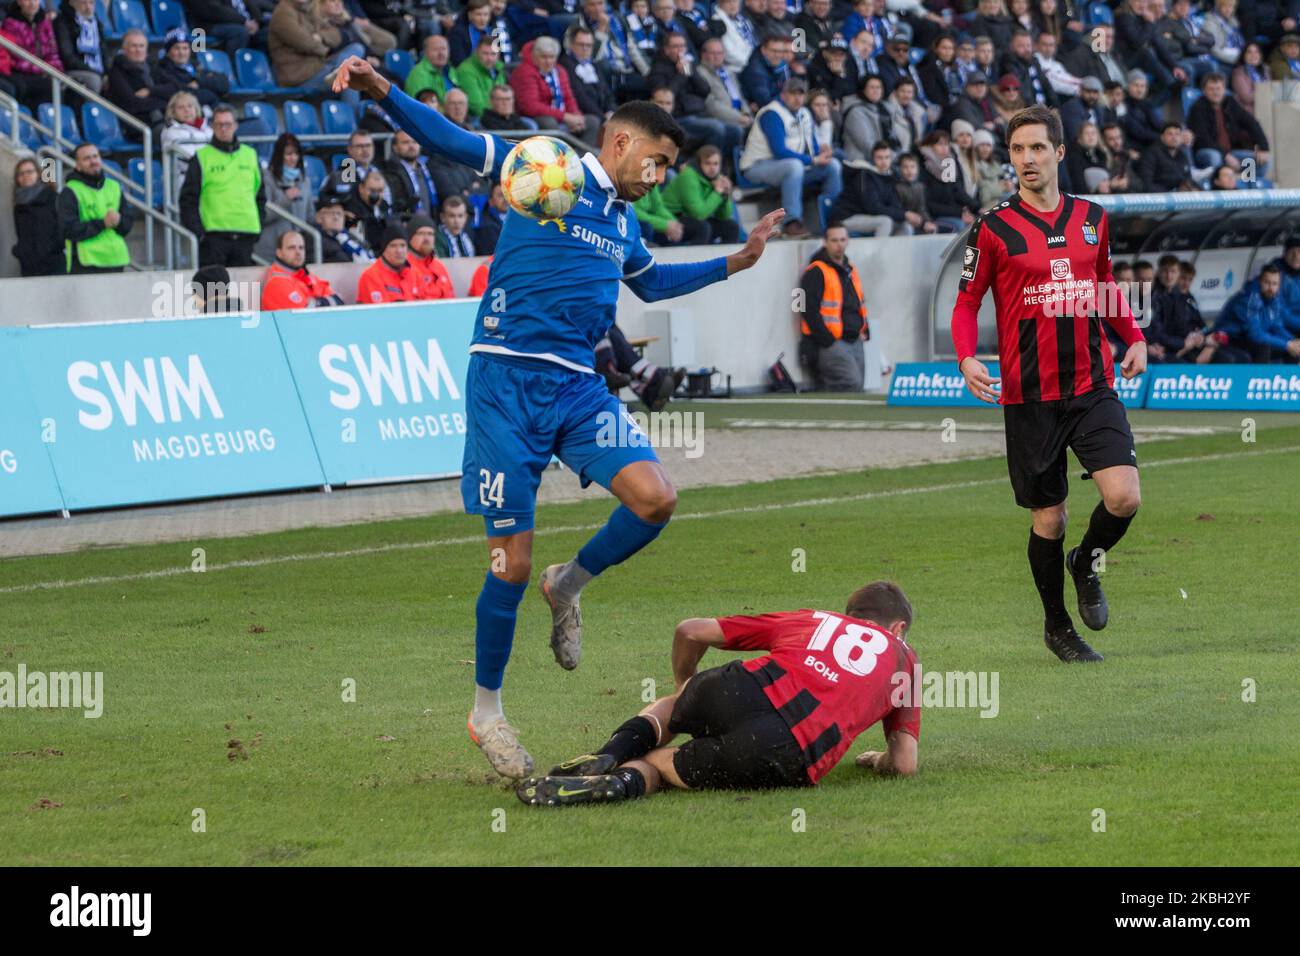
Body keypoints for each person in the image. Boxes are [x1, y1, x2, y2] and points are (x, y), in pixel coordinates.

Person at [332, 54, 784, 779]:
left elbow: (651, 280)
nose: (659, 176)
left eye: (669, 166)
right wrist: (382, 90)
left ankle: (569, 582)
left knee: (657, 497)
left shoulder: (622, 222)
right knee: (507, 565)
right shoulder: (547, 167)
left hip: (576, 390)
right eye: (658, 161)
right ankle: (487, 715)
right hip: (504, 384)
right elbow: (454, 141)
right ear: (620, 144)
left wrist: (735, 262)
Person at [951, 104, 1147, 664]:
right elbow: (966, 303)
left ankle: (1085, 561)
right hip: (1029, 395)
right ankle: (1057, 626)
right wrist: (967, 358)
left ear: (1059, 153)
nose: (1027, 159)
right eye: (1017, 150)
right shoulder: (991, 228)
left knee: (1124, 496)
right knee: (1050, 516)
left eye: (1037, 148)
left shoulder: (1092, 218)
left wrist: (1132, 336)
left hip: (1092, 384)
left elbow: (1104, 282)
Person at [516, 580, 919, 805]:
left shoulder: (815, 619)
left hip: (737, 690)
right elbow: (903, 765)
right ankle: (620, 783)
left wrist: (686, 690)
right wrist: (877, 759)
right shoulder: (906, 662)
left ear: (851, 615)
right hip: (784, 750)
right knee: (658, 765)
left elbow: (690, 630)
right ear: (898, 628)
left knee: (673, 707)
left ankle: (612, 751)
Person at [738, 77, 841, 239]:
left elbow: (812, 146)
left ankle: (833, 217)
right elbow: (779, 151)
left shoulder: (805, 113)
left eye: (801, 94)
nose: (797, 98)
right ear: (784, 94)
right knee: (793, 166)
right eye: (793, 94)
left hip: (790, 167)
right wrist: (813, 160)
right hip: (757, 166)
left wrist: (821, 153)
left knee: (833, 165)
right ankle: (791, 222)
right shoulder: (771, 113)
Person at [179, 105, 267, 268]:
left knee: (241, 292)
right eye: (219, 124)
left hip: (245, 234)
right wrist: (200, 233)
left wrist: (259, 225)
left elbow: (260, 196)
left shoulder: (250, 155)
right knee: (214, 292)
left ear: (236, 125)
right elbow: (188, 200)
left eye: (227, 124)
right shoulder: (201, 157)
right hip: (213, 237)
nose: (223, 129)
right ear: (212, 126)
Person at [798, 222, 870, 390]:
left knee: (857, 387)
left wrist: (865, 330)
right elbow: (804, 308)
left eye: (843, 240)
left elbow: (859, 302)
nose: (839, 245)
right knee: (850, 384)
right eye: (834, 240)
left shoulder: (850, 269)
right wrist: (827, 341)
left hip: (855, 339)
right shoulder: (816, 271)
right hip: (832, 343)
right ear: (825, 242)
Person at [59, 143, 133, 274]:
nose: (93, 161)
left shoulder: (114, 186)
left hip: (116, 259)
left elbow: (127, 225)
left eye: (95, 156)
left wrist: (119, 221)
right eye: (86, 158)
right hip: (86, 263)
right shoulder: (70, 191)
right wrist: (102, 223)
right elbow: (68, 230)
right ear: (77, 165)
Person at [511, 37, 597, 143]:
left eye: (552, 57)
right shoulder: (525, 72)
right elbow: (530, 106)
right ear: (534, 56)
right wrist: (565, 117)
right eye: (544, 57)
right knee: (549, 123)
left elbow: (568, 98)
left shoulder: (560, 71)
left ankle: (580, 157)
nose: (548, 61)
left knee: (592, 122)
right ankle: (555, 158)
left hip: (562, 115)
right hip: (535, 117)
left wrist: (576, 115)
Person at [1185, 71, 1269, 177]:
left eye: (1218, 89)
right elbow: (1203, 140)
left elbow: (1251, 123)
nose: (1215, 92)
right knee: (1215, 157)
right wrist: (1225, 156)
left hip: (1231, 153)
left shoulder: (1230, 103)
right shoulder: (1197, 108)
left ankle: (1249, 188)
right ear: (1204, 91)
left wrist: (1263, 147)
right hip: (1206, 152)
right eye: (1211, 89)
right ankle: (1218, 187)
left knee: (1261, 161)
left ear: (1224, 90)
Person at [830, 141, 915, 237]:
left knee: (905, 226)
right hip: (847, 217)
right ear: (872, 159)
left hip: (868, 217)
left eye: (887, 157)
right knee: (885, 222)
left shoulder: (889, 177)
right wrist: (904, 215)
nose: (884, 162)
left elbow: (894, 205)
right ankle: (878, 252)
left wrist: (903, 215)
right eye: (879, 158)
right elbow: (874, 208)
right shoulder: (864, 175)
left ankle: (894, 252)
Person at [660, 144, 741, 244]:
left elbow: (724, 216)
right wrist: (717, 192)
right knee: (702, 228)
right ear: (699, 163)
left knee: (731, 227)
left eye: (716, 164)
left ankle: (727, 259)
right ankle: (695, 259)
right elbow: (699, 214)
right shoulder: (688, 176)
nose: (712, 168)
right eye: (708, 163)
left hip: (692, 218)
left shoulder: (717, 178)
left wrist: (725, 195)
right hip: (670, 219)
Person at [106, 29, 178, 140]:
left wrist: (151, 91)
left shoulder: (152, 66)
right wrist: (164, 101)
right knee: (174, 136)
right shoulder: (117, 72)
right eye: (133, 46)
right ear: (124, 49)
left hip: (164, 121)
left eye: (141, 46)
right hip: (139, 127)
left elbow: (174, 88)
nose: (138, 50)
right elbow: (133, 103)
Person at [256, 132, 314, 261]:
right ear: (279, 155)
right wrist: (285, 199)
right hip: (270, 250)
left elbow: (310, 217)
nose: (292, 158)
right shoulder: (265, 178)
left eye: (296, 154)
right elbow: (262, 215)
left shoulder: (305, 181)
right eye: (288, 154)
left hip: (296, 252)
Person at [260, 230, 344, 309]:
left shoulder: (306, 275)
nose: (298, 252)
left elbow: (339, 300)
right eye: (291, 248)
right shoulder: (276, 281)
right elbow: (305, 312)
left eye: (301, 248)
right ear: (279, 253)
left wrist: (315, 302)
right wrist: (323, 301)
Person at [0, 0, 61, 109]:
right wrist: (43, 70)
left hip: (41, 71)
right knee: (42, 86)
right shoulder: (10, 23)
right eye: (27, 0)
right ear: (18, 2)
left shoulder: (44, 22)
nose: (32, 3)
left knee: (57, 85)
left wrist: (55, 69)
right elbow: (17, 59)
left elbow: (52, 52)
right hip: (23, 72)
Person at [11, 156, 64, 276]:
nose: (25, 176)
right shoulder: (18, 205)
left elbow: (62, 230)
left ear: (38, 174)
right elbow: (21, 235)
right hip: (29, 267)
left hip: (54, 265)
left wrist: (50, 249)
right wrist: (19, 251)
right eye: (21, 174)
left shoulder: (53, 197)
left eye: (29, 171)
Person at [53, 0, 109, 96]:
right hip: (73, 71)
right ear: (72, 3)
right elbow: (68, 57)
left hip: (96, 71)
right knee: (94, 80)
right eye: (84, 3)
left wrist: (107, 73)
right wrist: (94, 72)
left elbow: (103, 52)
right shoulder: (62, 22)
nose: (88, 8)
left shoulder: (96, 23)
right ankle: (91, 110)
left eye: (91, 3)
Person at [356, 223, 422, 302]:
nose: (399, 251)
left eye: (403, 245)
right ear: (384, 249)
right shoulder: (370, 276)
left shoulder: (415, 274)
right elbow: (383, 311)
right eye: (393, 246)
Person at [384, 129, 439, 221]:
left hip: (430, 224)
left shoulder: (427, 168)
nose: (411, 146)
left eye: (415, 142)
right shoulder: (390, 172)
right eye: (405, 142)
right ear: (395, 147)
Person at [453, 29, 509, 120]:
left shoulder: (499, 69)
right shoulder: (466, 70)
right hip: (476, 118)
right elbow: (476, 106)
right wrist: (498, 116)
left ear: (498, 55)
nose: (489, 58)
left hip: (497, 115)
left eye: (493, 54)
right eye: (485, 54)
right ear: (477, 52)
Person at [182, 0, 265, 54]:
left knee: (266, 32)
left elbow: (249, 3)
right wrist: (243, 22)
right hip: (205, 26)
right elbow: (214, 11)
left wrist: (257, 21)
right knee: (239, 32)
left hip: (236, 22)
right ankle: (233, 70)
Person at [405, 213, 457, 298]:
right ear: (410, 238)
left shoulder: (438, 266)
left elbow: (451, 298)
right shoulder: (404, 266)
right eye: (421, 233)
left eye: (430, 234)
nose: (426, 238)